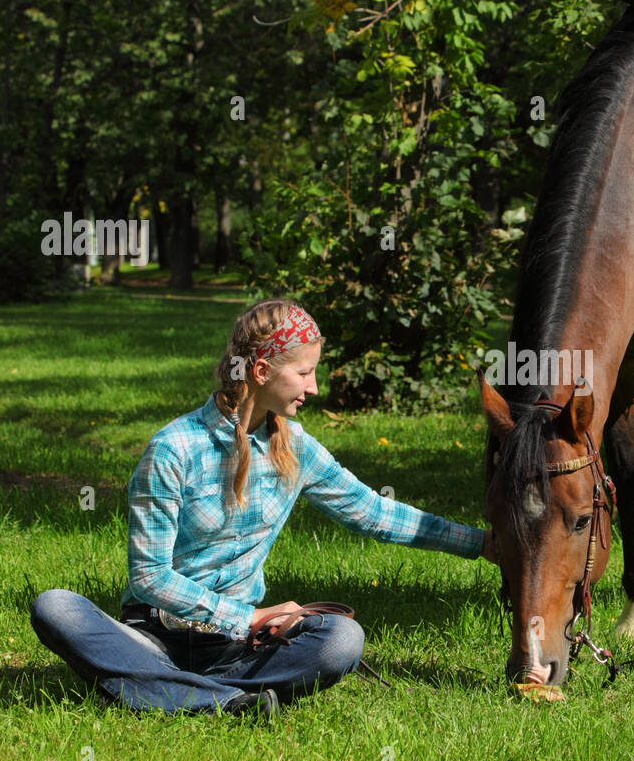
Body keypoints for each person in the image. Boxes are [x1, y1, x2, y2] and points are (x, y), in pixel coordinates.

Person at [30, 298, 496, 719]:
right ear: (260, 371)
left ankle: (175, 694)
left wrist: (486, 545)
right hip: (153, 639)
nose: (313, 388)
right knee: (56, 608)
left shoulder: (297, 449)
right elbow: (148, 577)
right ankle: (224, 698)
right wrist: (248, 617)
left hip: (236, 650)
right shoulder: (173, 449)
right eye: (304, 372)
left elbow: (375, 513)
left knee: (342, 640)